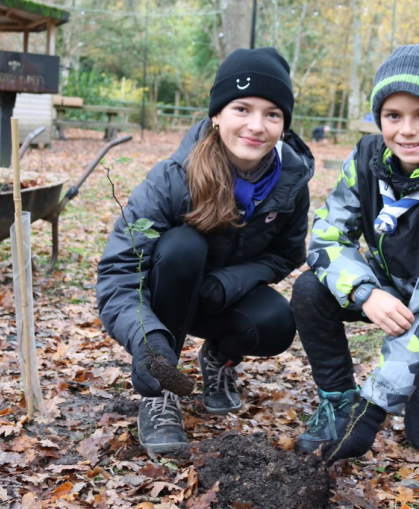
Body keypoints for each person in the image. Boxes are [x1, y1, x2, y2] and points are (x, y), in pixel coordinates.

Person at [96, 47, 314, 454]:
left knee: (278, 322)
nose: (256, 125)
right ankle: (161, 388)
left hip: (221, 299)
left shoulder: (292, 182)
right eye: (242, 109)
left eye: (272, 114)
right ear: (216, 114)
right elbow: (119, 271)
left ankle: (219, 359)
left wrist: (230, 281)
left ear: (284, 124)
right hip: (170, 294)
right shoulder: (172, 177)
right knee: (182, 245)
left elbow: (287, 254)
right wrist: (147, 341)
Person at [290, 43, 419, 462]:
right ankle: (338, 399)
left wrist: (370, 414)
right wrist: (366, 292)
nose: (407, 130)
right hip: (390, 289)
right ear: (380, 118)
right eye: (393, 116)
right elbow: (328, 237)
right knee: (312, 289)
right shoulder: (367, 157)